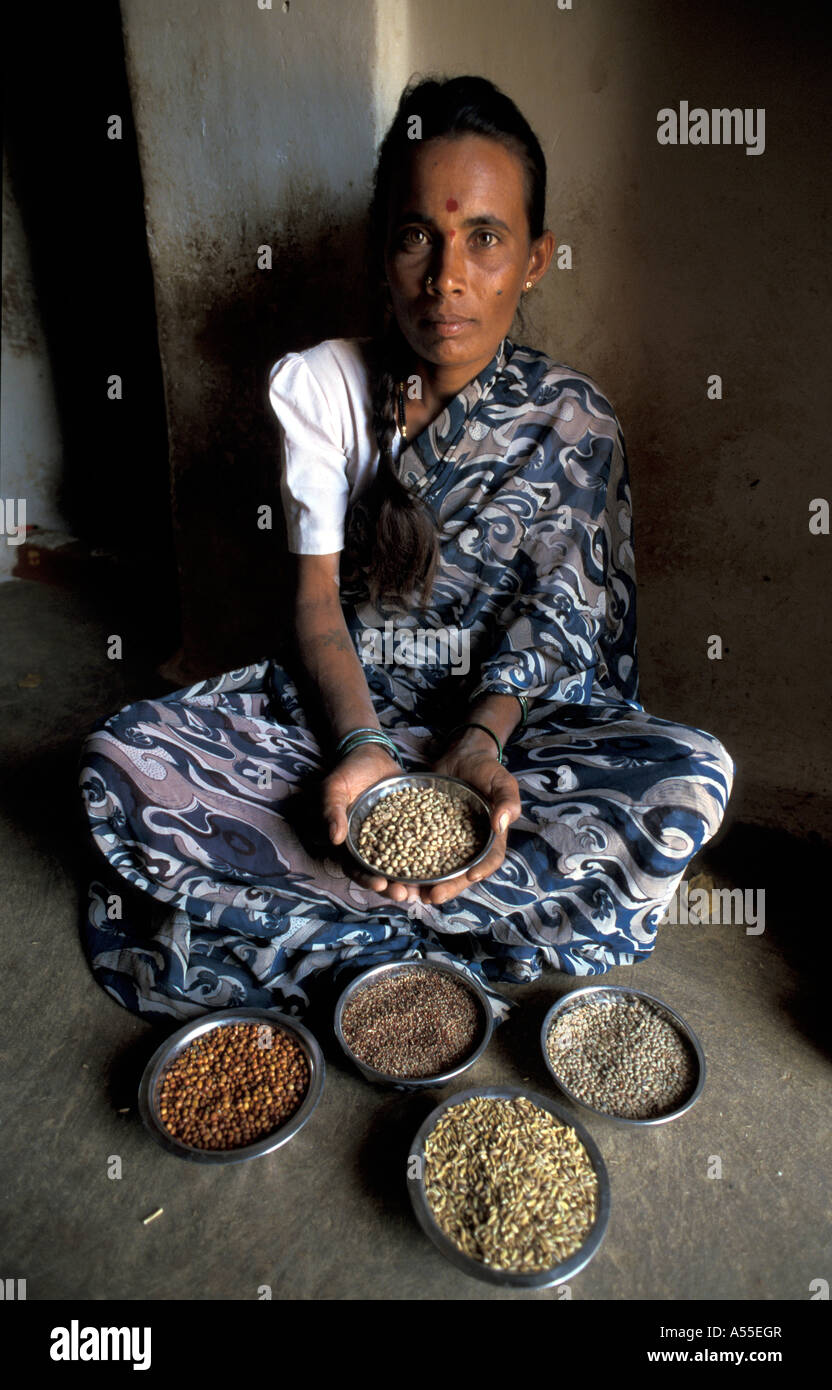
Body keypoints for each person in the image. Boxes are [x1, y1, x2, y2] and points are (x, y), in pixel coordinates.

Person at [79, 76, 734, 1022]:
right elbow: (314, 604)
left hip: (511, 731)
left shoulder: (574, 421)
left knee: (690, 779)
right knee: (121, 760)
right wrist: (360, 750)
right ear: (382, 250)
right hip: (348, 714)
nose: (447, 278)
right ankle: (455, 920)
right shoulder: (322, 387)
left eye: (485, 237)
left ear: (537, 258)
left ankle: (329, 915)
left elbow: (561, 625)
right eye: (417, 234)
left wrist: (476, 746)